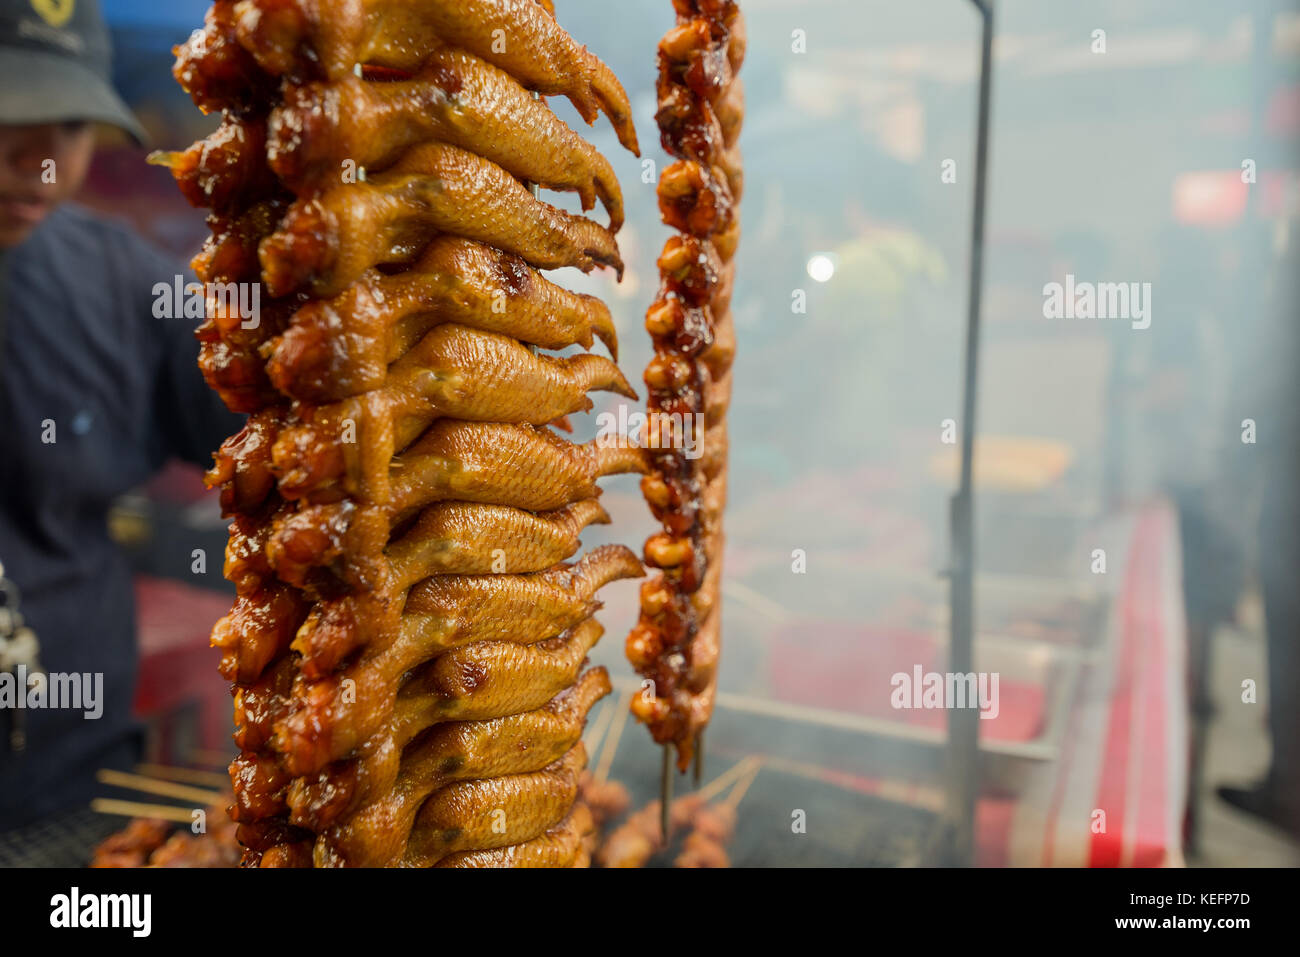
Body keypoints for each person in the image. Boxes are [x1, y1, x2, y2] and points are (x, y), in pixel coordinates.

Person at [0, 0, 241, 836]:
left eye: (70, 123)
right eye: (11, 114)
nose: (40, 158)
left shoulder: (120, 281)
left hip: (76, 791)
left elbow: (251, 417)